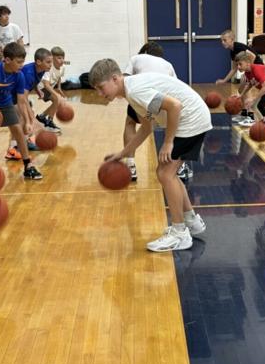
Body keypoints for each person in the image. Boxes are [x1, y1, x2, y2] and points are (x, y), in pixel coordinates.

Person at [89, 58, 210, 251]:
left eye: (101, 87)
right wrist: (123, 153)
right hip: (192, 117)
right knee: (168, 173)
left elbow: (175, 106)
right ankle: (190, 220)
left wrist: (168, 142)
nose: (100, 93)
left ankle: (180, 233)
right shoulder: (131, 93)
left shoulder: (136, 90)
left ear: (114, 79)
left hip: (191, 119)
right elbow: (146, 127)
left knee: (164, 174)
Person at [0, 42, 43, 179]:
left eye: (23, 62)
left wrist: (28, 121)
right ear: (7, 60)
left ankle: (28, 166)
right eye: (18, 62)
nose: (21, 65)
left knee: (18, 129)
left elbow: (22, 101)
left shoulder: (19, 75)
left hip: (6, 104)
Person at [122, 41, 178, 182]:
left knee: (130, 122)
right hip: (163, 103)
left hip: (145, 100)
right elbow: (176, 87)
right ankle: (178, 165)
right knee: (171, 128)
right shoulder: (168, 64)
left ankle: (130, 165)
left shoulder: (136, 58)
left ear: (145, 52)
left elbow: (125, 80)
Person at [234, 51, 265, 137]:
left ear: (248, 63)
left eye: (240, 64)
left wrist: (253, 99)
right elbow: (250, 84)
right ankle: (262, 125)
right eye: (237, 65)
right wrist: (241, 95)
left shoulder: (257, 70)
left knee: (259, 105)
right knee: (254, 106)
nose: (238, 67)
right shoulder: (247, 72)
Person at [36, 46, 68, 134]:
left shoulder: (63, 67)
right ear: (52, 58)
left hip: (49, 87)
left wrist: (59, 88)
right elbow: (46, 84)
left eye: (63, 58)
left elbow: (59, 77)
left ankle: (42, 117)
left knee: (59, 101)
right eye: (59, 58)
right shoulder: (49, 69)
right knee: (57, 99)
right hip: (42, 88)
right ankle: (49, 122)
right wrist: (56, 94)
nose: (61, 60)